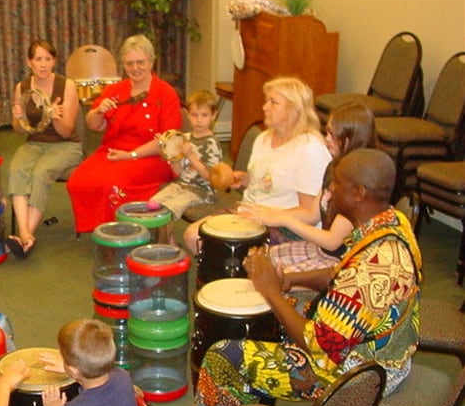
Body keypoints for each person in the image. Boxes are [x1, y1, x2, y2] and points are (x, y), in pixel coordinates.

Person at [190, 149, 422, 406]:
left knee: (224, 356)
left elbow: (319, 347)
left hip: (358, 374)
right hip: (373, 349)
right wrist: (290, 280)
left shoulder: (375, 268)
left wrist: (270, 291)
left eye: (336, 184)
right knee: (275, 315)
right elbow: (340, 273)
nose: (329, 192)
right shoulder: (389, 223)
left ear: (359, 193)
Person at [182, 77, 332, 252]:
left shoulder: (309, 148)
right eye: (266, 101)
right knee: (193, 235)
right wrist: (245, 178)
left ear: (294, 109)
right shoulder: (263, 138)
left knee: (223, 249)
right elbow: (266, 179)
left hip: (288, 227)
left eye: (273, 102)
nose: (264, 107)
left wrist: (272, 216)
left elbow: (310, 214)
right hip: (251, 211)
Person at [67, 35, 181, 234]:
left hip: (152, 156)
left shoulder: (165, 93)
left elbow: (168, 141)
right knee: (78, 181)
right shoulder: (115, 90)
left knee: (114, 185)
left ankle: (120, 231)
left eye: (140, 62)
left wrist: (132, 155)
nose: (135, 68)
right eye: (130, 63)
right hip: (113, 152)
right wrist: (98, 111)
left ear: (151, 62)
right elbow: (94, 125)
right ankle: (102, 229)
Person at [248, 102, 375, 273]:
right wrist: (269, 213)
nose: (326, 138)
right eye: (327, 131)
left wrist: (283, 219)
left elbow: (332, 241)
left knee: (270, 275)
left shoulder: (357, 182)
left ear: (350, 139)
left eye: (333, 134)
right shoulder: (333, 167)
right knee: (256, 260)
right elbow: (313, 214)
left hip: (343, 262)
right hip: (323, 250)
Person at [7, 40, 82, 256]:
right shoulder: (21, 88)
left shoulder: (66, 86)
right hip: (35, 142)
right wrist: (17, 119)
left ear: (54, 61)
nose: (43, 64)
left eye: (47, 59)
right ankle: (25, 234)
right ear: (30, 62)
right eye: (38, 59)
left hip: (66, 145)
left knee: (41, 173)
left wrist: (54, 117)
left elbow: (67, 132)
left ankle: (24, 235)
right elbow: (20, 131)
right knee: (16, 169)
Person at [150, 89, 224, 226]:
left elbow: (211, 177)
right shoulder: (185, 138)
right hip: (182, 185)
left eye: (204, 115)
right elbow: (178, 172)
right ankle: (169, 240)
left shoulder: (211, 143)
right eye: (194, 115)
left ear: (213, 116)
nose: (199, 120)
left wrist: (190, 155)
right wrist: (168, 150)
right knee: (153, 205)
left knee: (167, 210)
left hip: (202, 191)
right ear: (188, 115)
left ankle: (167, 242)